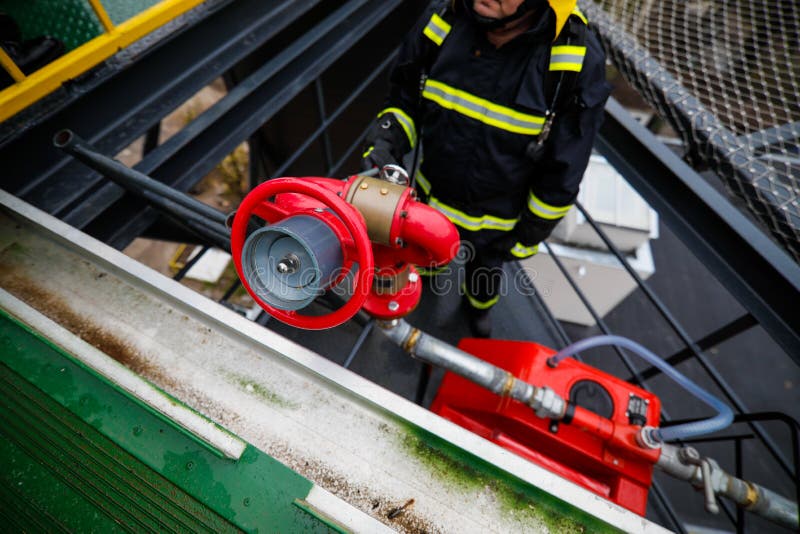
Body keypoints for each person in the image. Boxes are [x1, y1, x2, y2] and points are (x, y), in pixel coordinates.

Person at [362, 0, 611, 337]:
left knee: (484, 280)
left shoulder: (574, 58)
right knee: (425, 263)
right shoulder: (443, 19)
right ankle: (427, 285)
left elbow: (565, 166)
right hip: (429, 203)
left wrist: (529, 233)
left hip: (499, 226)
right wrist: (385, 143)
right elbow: (405, 98)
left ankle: (475, 314)